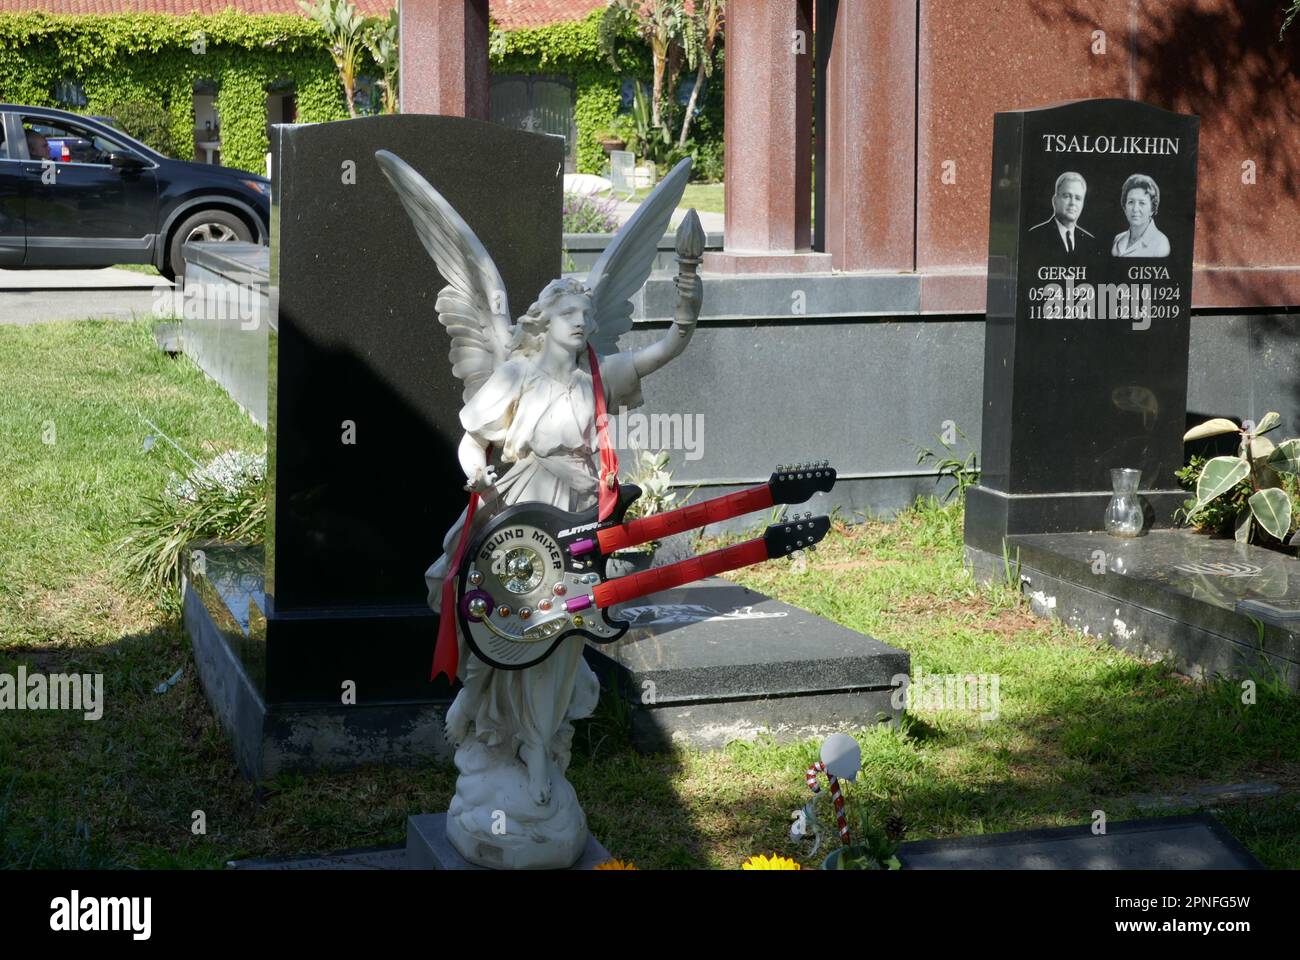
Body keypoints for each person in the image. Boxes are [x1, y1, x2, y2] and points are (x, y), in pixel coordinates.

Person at [427, 272, 702, 805]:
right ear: (544, 322)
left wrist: (687, 304)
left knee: (562, 636)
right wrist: (477, 474)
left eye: (584, 315)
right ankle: (479, 698)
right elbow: (472, 439)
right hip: (523, 508)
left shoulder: (595, 379)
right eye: (567, 314)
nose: (579, 323)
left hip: (576, 516)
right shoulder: (516, 375)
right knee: (504, 618)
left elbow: (668, 347)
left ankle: (537, 749)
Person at [1026, 171, 1096, 261]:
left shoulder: (1090, 243)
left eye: (1078, 198)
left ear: (1082, 204)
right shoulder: (1034, 237)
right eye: (1067, 196)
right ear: (1055, 201)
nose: (1073, 203)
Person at [1111, 173, 1169, 257]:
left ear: (1152, 209)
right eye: (1131, 202)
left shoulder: (1161, 244)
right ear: (1125, 207)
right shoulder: (1118, 239)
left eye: (1142, 203)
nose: (1135, 209)